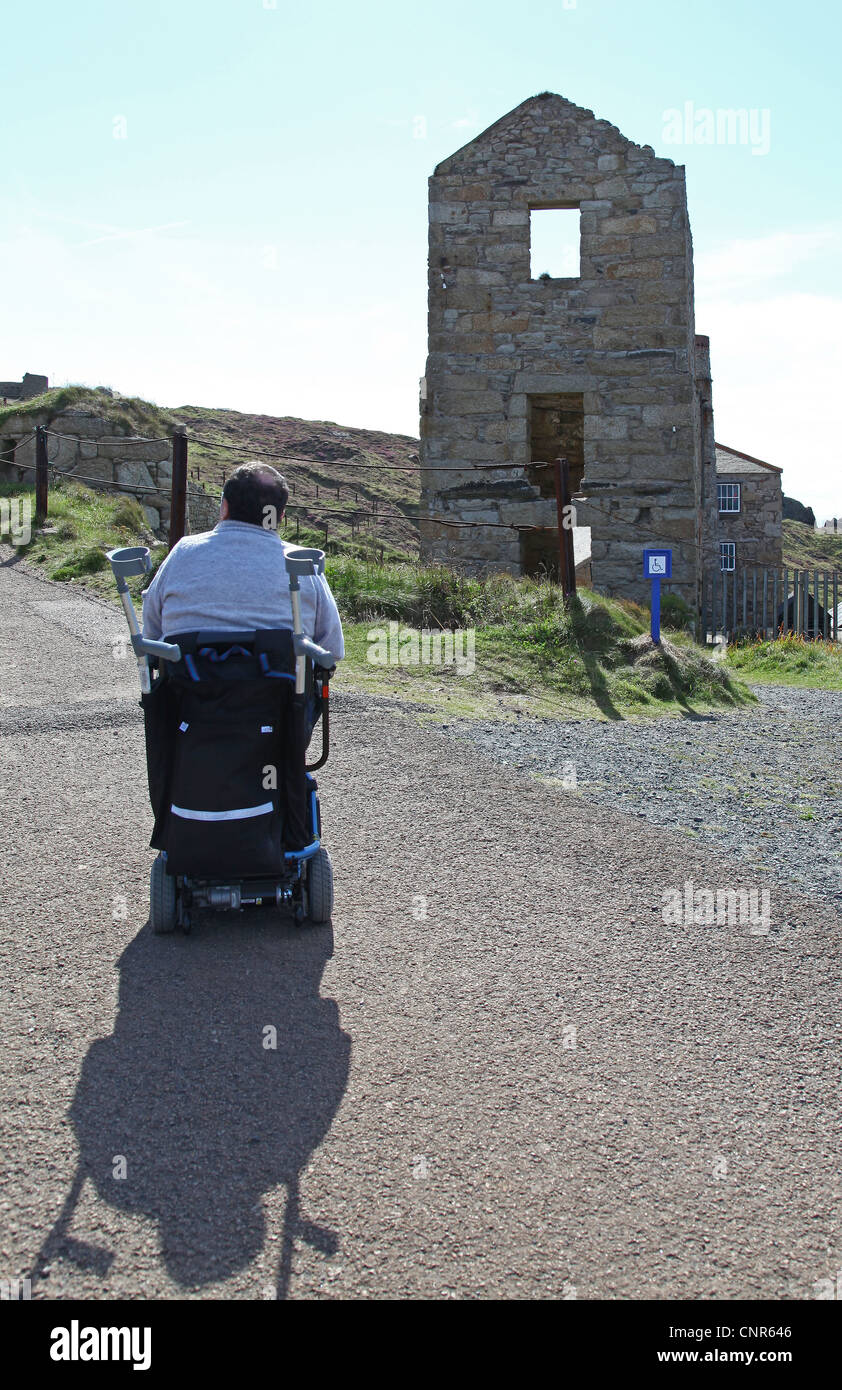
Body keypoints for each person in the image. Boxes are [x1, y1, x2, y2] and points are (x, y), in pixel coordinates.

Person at [140, 462, 344, 661]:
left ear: (224, 507)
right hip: (282, 692)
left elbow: (151, 633)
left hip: (185, 690)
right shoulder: (302, 562)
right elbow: (332, 649)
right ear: (280, 515)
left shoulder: (183, 551)